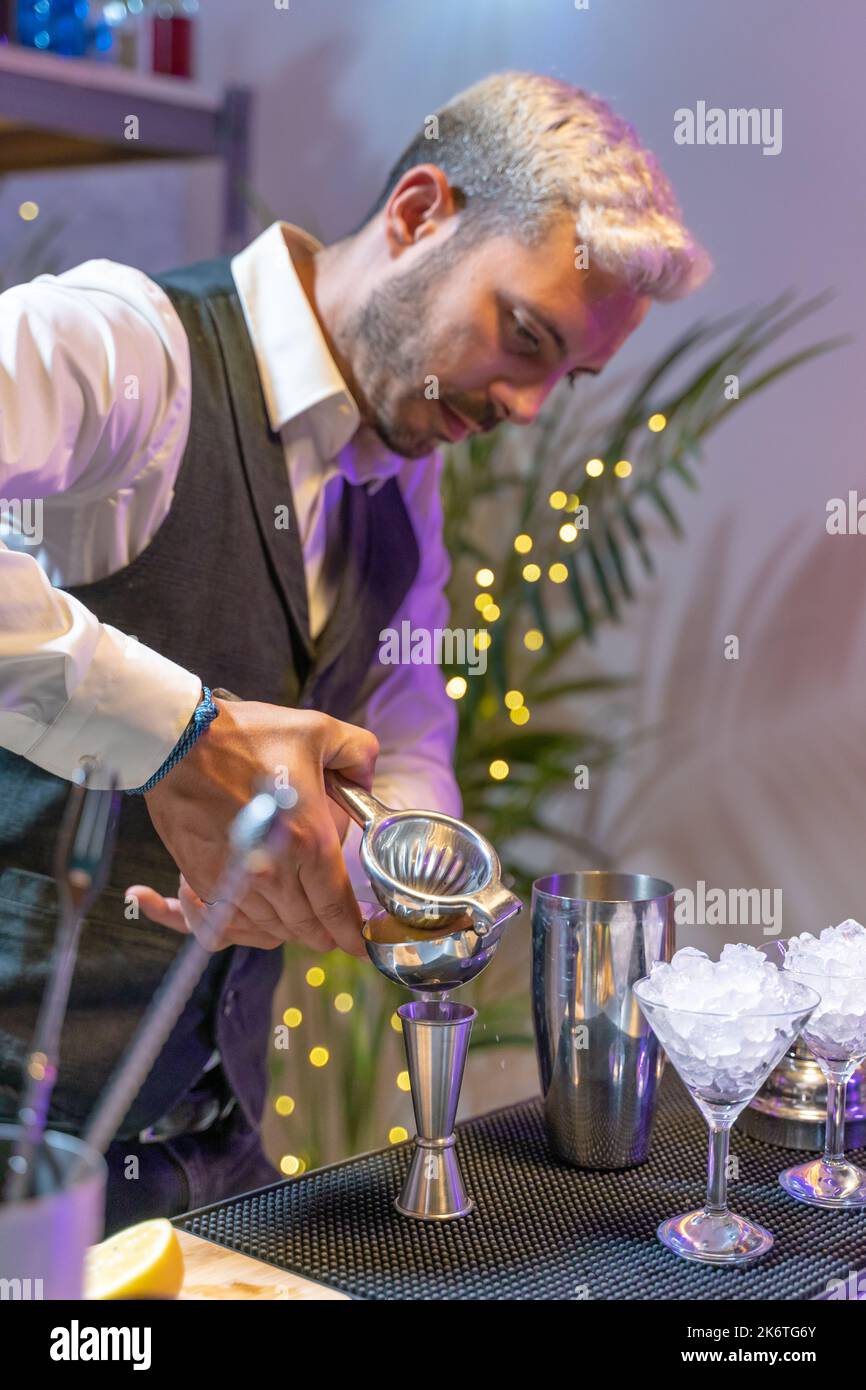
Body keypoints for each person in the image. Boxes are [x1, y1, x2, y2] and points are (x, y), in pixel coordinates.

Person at [0, 71, 709, 1230]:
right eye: (522, 335)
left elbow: (405, 717)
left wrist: (404, 869)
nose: (529, 408)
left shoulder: (397, 478)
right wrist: (182, 734)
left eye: (563, 377)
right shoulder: (124, 347)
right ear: (420, 212)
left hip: (214, 1165)